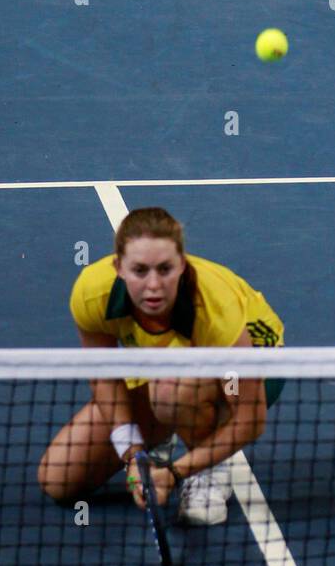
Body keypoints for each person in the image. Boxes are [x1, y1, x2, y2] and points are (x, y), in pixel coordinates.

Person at [38, 206, 284, 525]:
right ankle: (163, 434)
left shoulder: (211, 305)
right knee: (59, 478)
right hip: (166, 372)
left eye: (165, 269)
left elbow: (251, 418)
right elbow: (105, 378)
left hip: (251, 368)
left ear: (181, 265)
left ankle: (208, 470)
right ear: (118, 268)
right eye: (140, 270)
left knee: (171, 390)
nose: (153, 285)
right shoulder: (91, 294)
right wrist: (132, 453)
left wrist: (173, 473)